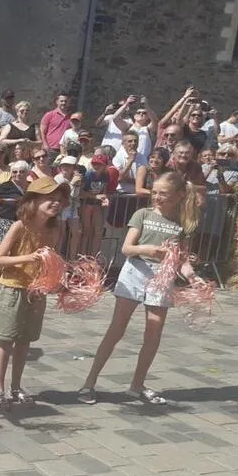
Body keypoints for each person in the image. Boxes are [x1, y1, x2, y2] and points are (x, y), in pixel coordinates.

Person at [78, 172, 200, 405]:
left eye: (163, 194)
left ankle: (136, 385)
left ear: (179, 196)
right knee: (116, 330)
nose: (157, 197)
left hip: (161, 279)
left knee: (153, 335)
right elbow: (127, 248)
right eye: (154, 192)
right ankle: (89, 382)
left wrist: (193, 277)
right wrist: (149, 249)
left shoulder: (182, 225)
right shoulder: (142, 214)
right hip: (135, 273)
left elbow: (181, 258)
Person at [0, 176, 69, 409]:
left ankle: (16, 386)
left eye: (59, 200)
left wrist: (57, 280)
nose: (56, 203)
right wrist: (28, 258)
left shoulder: (55, 229)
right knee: (6, 340)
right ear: (34, 201)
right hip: (12, 289)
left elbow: (50, 261)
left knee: (25, 341)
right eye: (50, 199)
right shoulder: (19, 226)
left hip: (36, 292)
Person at [54, 156, 83, 259]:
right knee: (61, 234)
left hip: (72, 208)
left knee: (76, 233)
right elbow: (63, 195)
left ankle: (72, 259)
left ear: (73, 168)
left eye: (69, 166)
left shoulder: (76, 178)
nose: (65, 168)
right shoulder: (58, 178)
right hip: (61, 208)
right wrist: (72, 183)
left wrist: (77, 184)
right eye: (64, 165)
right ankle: (57, 259)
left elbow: (74, 195)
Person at [39, 92, 72, 159]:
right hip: (50, 149)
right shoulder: (49, 115)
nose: (64, 103)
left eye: (66, 101)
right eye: (61, 101)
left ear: (69, 102)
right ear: (57, 102)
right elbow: (42, 131)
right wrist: (45, 145)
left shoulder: (71, 117)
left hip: (64, 150)